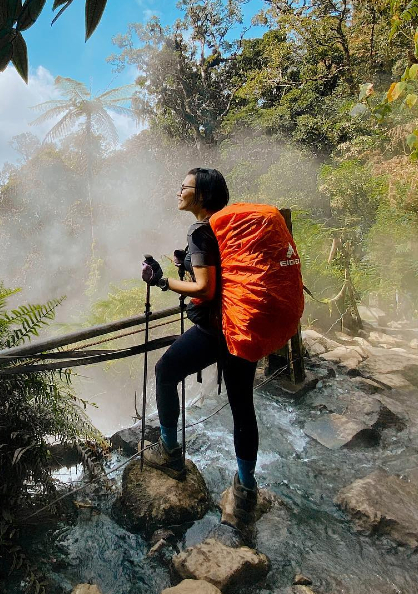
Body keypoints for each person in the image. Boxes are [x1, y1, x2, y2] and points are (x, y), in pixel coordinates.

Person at [140, 167, 259, 536]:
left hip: (216, 330)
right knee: (242, 405)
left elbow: (206, 290)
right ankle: (245, 488)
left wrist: (162, 279)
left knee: (165, 371)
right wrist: (186, 265)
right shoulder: (225, 227)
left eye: (184, 187)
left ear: (202, 196)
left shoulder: (200, 230)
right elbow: (221, 275)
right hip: (243, 325)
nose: (178, 191)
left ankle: (171, 453)